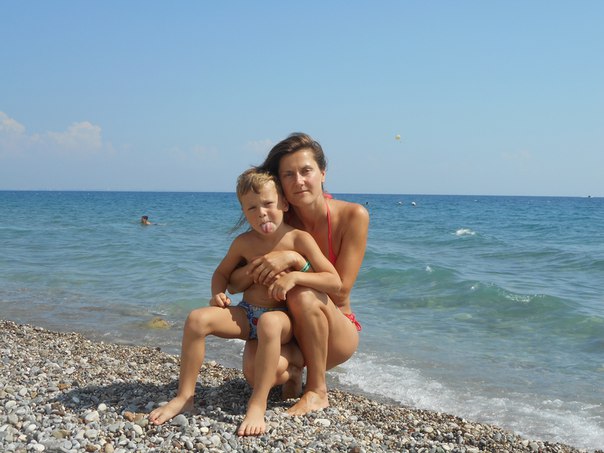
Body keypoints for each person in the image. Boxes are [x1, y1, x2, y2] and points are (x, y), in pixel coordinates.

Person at [148, 168, 341, 436]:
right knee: (196, 319)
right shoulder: (243, 243)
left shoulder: (298, 239)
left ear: (284, 204)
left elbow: (334, 281)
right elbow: (222, 274)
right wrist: (217, 293)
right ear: (243, 212)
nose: (261, 213)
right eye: (252, 208)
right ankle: (184, 396)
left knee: (269, 323)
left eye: (268, 204)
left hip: (282, 319)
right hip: (247, 313)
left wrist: (295, 276)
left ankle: (257, 404)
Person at [229, 132, 369, 416]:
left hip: (334, 331)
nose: (299, 181)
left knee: (302, 293)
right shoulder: (276, 218)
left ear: (323, 173)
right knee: (256, 374)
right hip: (285, 330)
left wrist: (295, 262)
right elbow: (234, 281)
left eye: (306, 171)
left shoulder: (353, 216)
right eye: (288, 175)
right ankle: (293, 372)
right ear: (279, 183)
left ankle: (317, 390)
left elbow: (341, 289)